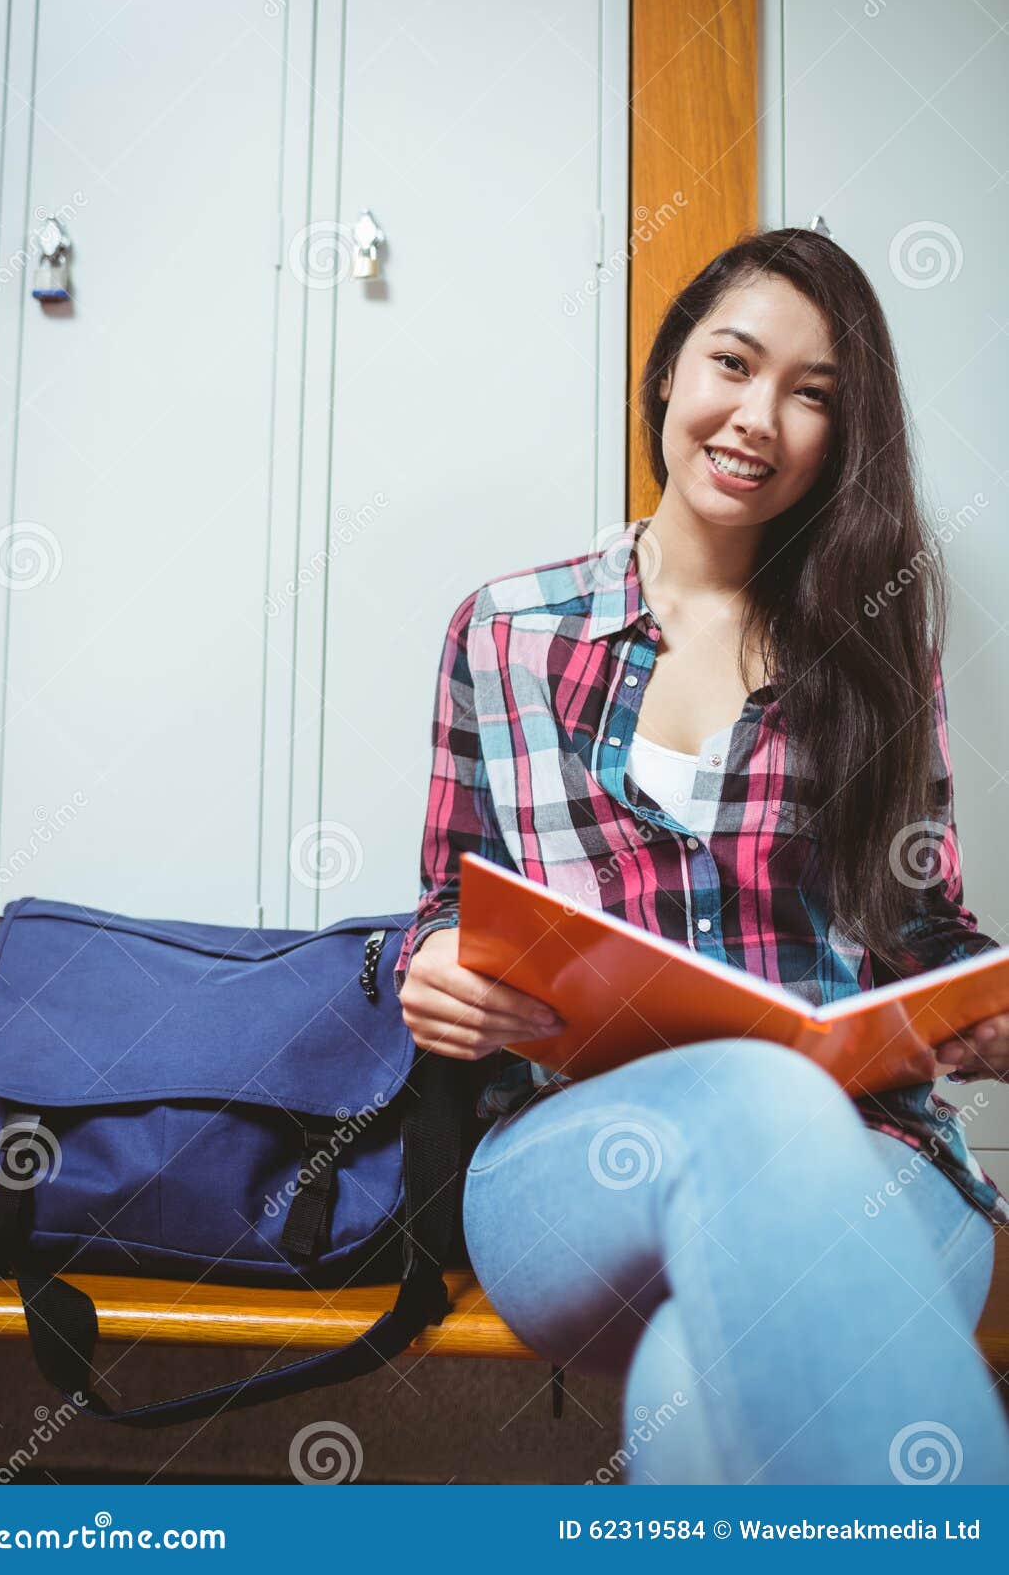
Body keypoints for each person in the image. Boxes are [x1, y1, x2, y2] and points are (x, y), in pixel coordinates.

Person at [395, 227, 1009, 1485]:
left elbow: (925, 931)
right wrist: (433, 964)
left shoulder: (878, 656)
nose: (757, 417)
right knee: (758, 1100)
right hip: (572, 1163)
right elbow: (440, 902)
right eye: (732, 363)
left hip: (872, 1156)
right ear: (670, 368)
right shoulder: (504, 631)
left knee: (695, 1381)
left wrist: (987, 1004)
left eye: (811, 396)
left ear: (842, 437)